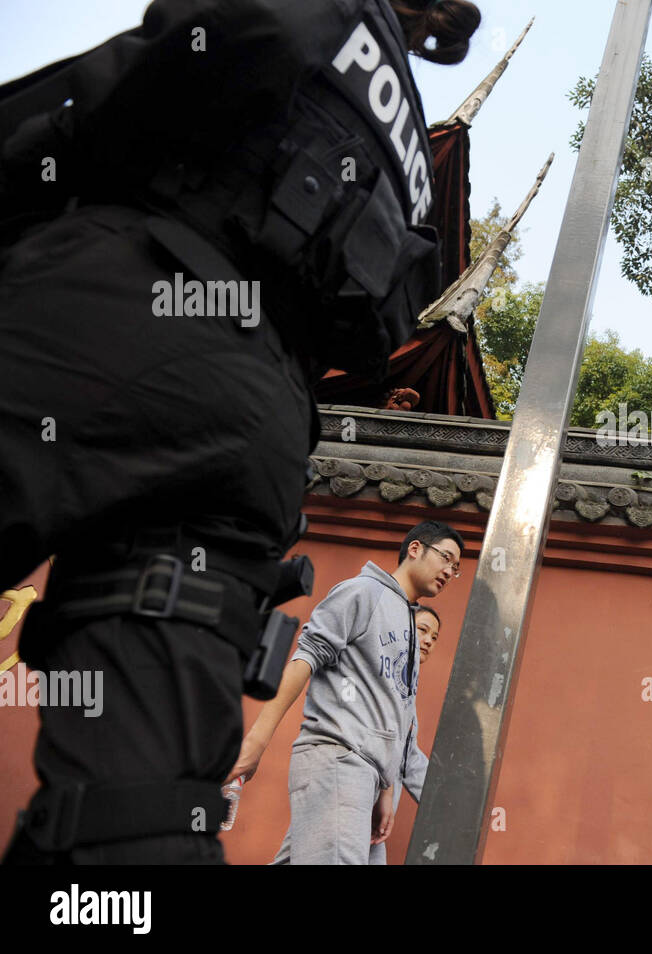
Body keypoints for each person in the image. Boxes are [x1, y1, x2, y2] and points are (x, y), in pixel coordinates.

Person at [0, 0, 481, 865]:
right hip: (260, 435)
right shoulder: (407, 144)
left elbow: (126, 88)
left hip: (125, 311)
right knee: (135, 809)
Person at [238, 522, 462, 866]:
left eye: (456, 567)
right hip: (339, 760)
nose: (449, 571)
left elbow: (394, 715)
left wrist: (386, 789)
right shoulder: (363, 592)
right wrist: (256, 741)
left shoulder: (409, 626)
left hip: (366, 781)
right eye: (446, 558)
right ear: (415, 549)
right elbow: (306, 657)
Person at [269, 604, 442, 864]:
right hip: (344, 787)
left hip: (362, 809)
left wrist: (447, 797)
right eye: (422, 630)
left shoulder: (404, 692)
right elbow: (356, 715)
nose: (428, 640)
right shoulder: (371, 672)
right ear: (402, 630)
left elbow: (408, 759)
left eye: (435, 637)